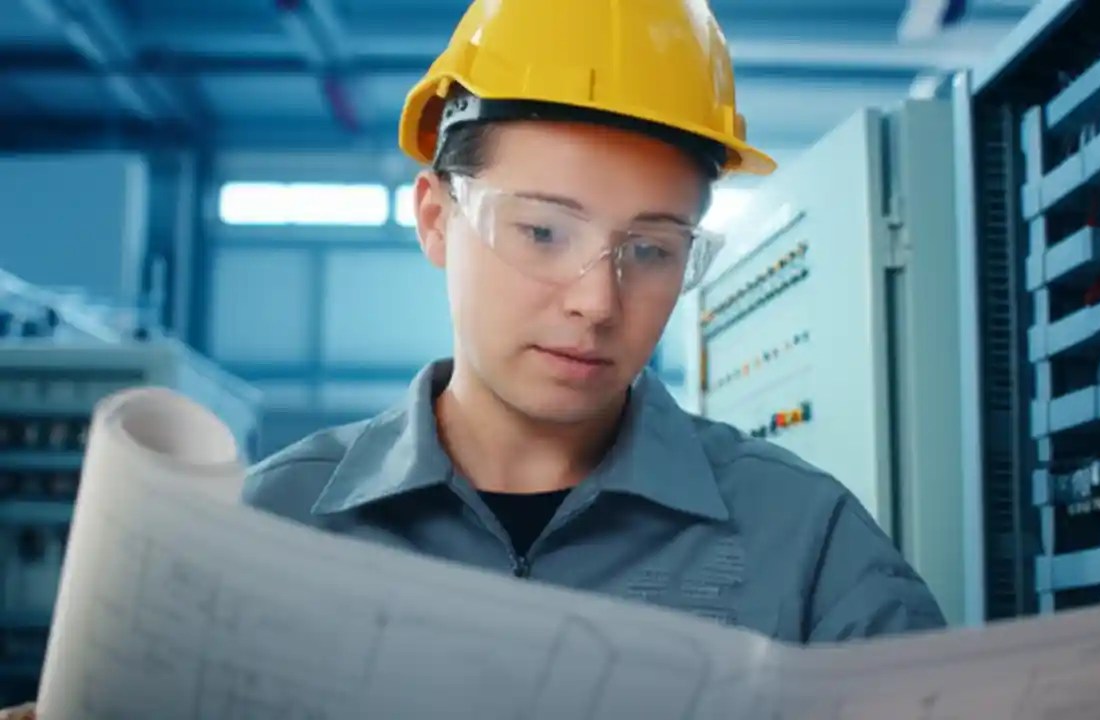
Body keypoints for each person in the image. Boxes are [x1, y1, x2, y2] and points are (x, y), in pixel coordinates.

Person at [0, 1, 942, 715]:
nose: (596, 298)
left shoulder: (805, 540)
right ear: (435, 219)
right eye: (541, 231)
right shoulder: (273, 528)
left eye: (652, 249)